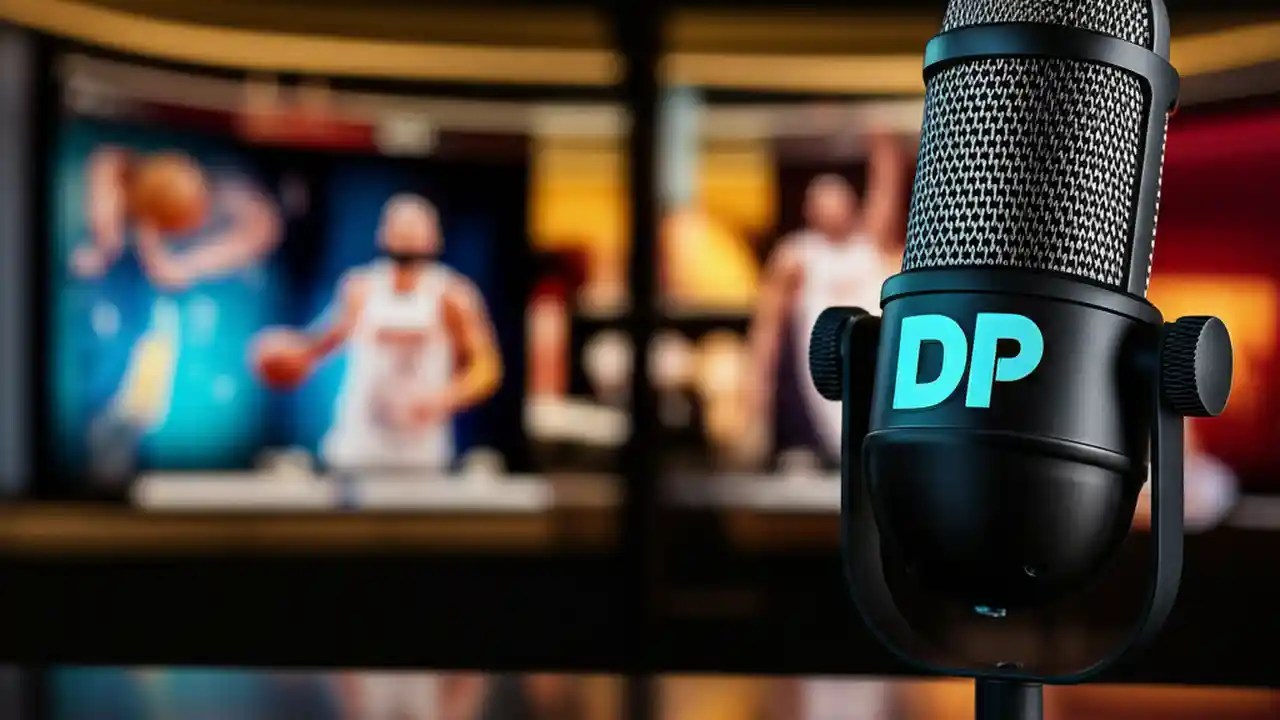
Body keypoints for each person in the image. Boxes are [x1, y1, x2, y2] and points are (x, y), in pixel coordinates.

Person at [70, 147, 282, 482]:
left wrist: (153, 240)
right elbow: (105, 161)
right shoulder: (131, 170)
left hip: (210, 297)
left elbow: (169, 274)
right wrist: (105, 236)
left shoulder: (252, 215)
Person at [251, 194, 502, 472]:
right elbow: (322, 344)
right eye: (400, 225)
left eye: (416, 226)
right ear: (383, 234)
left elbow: (486, 368)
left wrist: (441, 399)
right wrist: (290, 353)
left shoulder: (452, 295)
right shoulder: (361, 287)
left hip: (421, 452)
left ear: (434, 236)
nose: (408, 234)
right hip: (358, 445)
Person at [743, 134, 908, 464]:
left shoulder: (870, 246)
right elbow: (768, 325)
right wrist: (756, 386)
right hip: (824, 366)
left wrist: (882, 145)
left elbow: (886, 192)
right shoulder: (798, 254)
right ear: (808, 209)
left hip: (878, 360)